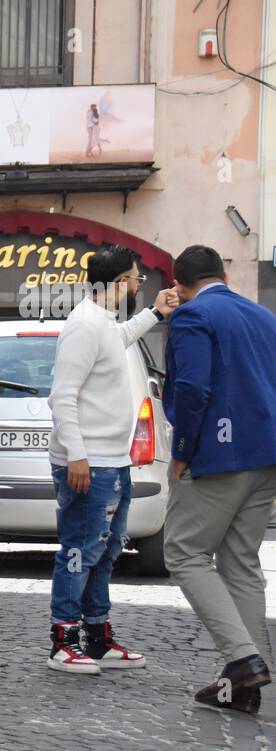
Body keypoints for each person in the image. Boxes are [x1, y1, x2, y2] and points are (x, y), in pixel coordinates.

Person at [46, 244, 177, 674]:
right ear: (120, 282)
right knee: (78, 551)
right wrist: (77, 456)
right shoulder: (83, 325)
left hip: (113, 460)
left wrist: (154, 313)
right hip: (90, 463)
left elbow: (119, 339)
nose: (139, 285)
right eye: (138, 279)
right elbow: (61, 396)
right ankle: (63, 640)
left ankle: (97, 636)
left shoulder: (103, 323)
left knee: (105, 551)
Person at [163, 245, 276, 713]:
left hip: (219, 454)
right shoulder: (265, 317)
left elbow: (192, 387)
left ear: (180, 283)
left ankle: (244, 661)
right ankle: (251, 683)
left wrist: (183, 451)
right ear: (225, 274)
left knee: (184, 552)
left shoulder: (192, 318)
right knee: (240, 561)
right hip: (266, 454)